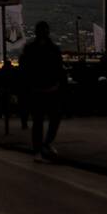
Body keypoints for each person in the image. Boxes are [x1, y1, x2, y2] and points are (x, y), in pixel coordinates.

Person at [20, 21, 64, 161]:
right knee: (40, 121)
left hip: (47, 88)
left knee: (51, 119)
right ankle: (40, 148)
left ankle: (44, 145)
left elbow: (58, 68)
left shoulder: (42, 49)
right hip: (39, 89)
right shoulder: (38, 49)